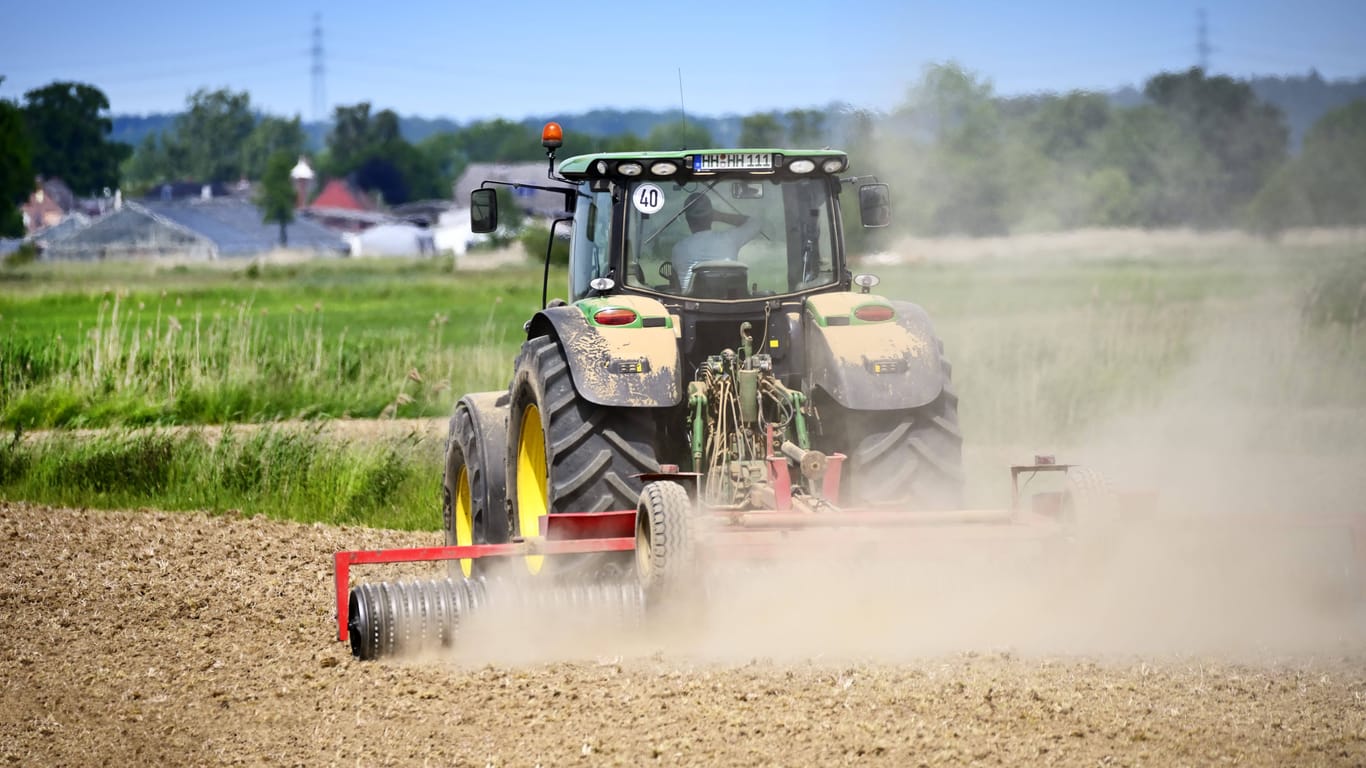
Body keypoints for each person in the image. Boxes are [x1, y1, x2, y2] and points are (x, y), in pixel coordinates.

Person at [670, 192, 761, 294]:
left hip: (691, 303)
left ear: (687, 219)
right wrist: (719, 216)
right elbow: (755, 223)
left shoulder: (678, 248)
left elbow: (677, 287)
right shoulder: (730, 239)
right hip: (733, 303)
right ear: (711, 217)